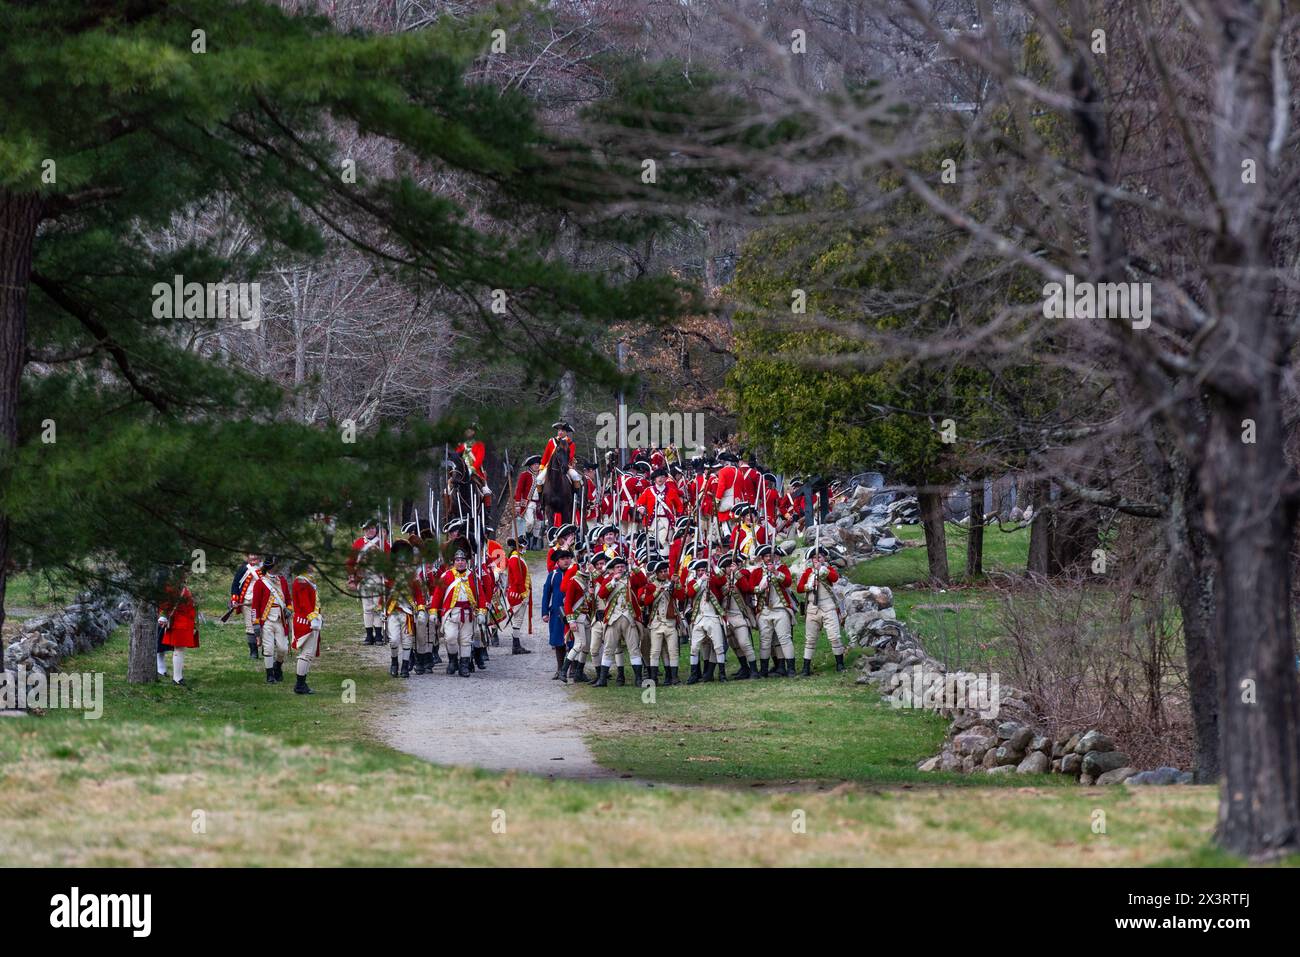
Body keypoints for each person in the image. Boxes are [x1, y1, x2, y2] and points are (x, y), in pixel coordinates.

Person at [593, 556, 644, 687]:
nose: (620, 569)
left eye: (622, 566)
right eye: (617, 567)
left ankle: (638, 679)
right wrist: (613, 582)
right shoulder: (608, 580)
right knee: (608, 649)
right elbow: (602, 595)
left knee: (634, 649)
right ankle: (603, 679)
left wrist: (634, 566)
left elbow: (643, 582)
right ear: (613, 569)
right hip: (613, 618)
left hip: (629, 618)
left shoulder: (630, 579)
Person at [796, 545, 845, 675]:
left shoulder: (827, 569)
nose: (817, 560)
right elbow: (800, 588)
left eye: (819, 557)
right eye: (814, 558)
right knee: (810, 639)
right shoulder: (807, 572)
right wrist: (810, 585)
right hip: (813, 608)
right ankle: (806, 668)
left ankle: (840, 664)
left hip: (828, 606)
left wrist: (822, 570)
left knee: (834, 637)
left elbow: (834, 578)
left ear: (824, 558)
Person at [753, 544, 797, 677]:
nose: (769, 558)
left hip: (780, 609)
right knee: (765, 641)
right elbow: (750, 588)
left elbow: (788, 582)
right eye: (766, 556)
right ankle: (764, 670)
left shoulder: (782, 569)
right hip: (764, 611)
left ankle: (790, 669)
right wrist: (760, 587)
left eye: (771, 556)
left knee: (785, 639)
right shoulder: (757, 572)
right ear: (762, 558)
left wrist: (776, 573)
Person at [438, 549, 483, 677]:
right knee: (450, 638)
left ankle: (464, 665)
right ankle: (453, 660)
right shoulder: (446, 576)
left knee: (465, 641)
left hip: (468, 614)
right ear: (454, 562)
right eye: (458, 560)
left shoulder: (473, 576)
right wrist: (433, 611)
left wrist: (481, 612)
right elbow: (438, 595)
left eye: (463, 560)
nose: (460, 563)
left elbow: (481, 596)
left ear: (466, 562)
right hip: (451, 613)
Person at [639, 559, 683, 685]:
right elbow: (646, 602)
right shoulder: (651, 586)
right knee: (655, 652)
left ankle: (673, 678)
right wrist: (658, 591)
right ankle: (654, 678)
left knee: (673, 651)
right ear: (657, 574)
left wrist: (677, 583)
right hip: (656, 623)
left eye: (665, 571)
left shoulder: (672, 583)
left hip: (670, 622)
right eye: (661, 572)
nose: (664, 573)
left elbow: (680, 596)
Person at [684, 559, 727, 684]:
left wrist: (714, 566)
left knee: (719, 647)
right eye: (699, 571)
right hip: (699, 618)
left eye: (703, 570)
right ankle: (693, 675)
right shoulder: (694, 582)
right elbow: (691, 592)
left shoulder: (713, 580)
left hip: (713, 617)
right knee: (694, 648)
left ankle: (722, 674)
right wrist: (701, 579)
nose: (702, 572)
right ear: (696, 572)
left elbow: (723, 580)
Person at [347, 519, 389, 645]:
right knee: (367, 608)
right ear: (363, 530)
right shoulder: (358, 543)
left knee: (378, 607)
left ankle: (379, 635)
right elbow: (350, 562)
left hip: (378, 579)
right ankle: (369, 635)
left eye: (372, 528)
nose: (370, 530)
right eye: (367, 529)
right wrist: (352, 578)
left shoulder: (382, 543)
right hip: (364, 579)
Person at [252, 555, 292, 685]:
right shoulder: (260, 583)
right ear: (271, 566)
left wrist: (289, 609)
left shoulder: (283, 581)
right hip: (267, 619)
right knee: (268, 648)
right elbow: (255, 605)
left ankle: (278, 667)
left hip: (281, 619)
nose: (279, 567)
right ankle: (269, 674)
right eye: (277, 565)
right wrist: (256, 623)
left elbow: (288, 599)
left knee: (283, 648)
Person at [158, 567, 199, 687]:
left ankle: (178, 677)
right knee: (179, 650)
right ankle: (177, 678)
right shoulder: (172, 586)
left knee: (180, 650)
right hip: (179, 623)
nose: (186, 575)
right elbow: (165, 603)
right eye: (184, 572)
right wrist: (163, 616)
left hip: (185, 622)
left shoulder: (181, 585)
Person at [289, 558, 323, 694]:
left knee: (309, 654)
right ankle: (300, 684)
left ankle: (302, 683)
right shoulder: (301, 581)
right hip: (306, 620)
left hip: (309, 619)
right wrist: (313, 618)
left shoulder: (307, 580)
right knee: (306, 654)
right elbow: (304, 603)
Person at [542, 548, 574, 678]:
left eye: (568, 558)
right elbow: (546, 594)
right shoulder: (553, 575)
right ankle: (560, 669)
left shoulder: (575, 573)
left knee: (573, 641)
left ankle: (573, 669)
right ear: (557, 561)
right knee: (558, 641)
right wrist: (545, 612)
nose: (566, 561)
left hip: (573, 611)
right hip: (556, 612)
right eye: (562, 559)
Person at [229, 553, 262, 659]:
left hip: (262, 603)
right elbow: (235, 584)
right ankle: (254, 652)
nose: (253, 562)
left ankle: (267, 650)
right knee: (250, 627)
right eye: (251, 559)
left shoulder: (264, 569)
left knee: (265, 626)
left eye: (255, 559)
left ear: (259, 559)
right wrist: (235, 599)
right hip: (247, 602)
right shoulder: (243, 569)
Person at [505, 538, 533, 655]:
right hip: (518, 594)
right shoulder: (515, 559)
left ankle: (516, 645)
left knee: (518, 621)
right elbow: (517, 579)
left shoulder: (517, 558)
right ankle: (515, 646)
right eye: (523, 546)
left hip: (519, 592)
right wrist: (523, 594)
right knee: (517, 621)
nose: (525, 548)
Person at [514, 454, 542, 549]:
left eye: (538, 464)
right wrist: (517, 504)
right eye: (535, 464)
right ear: (530, 465)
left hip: (539, 503)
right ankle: (526, 540)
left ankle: (533, 544)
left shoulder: (542, 476)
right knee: (529, 522)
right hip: (528, 503)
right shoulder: (525, 475)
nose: (537, 466)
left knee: (538, 523)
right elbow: (519, 490)